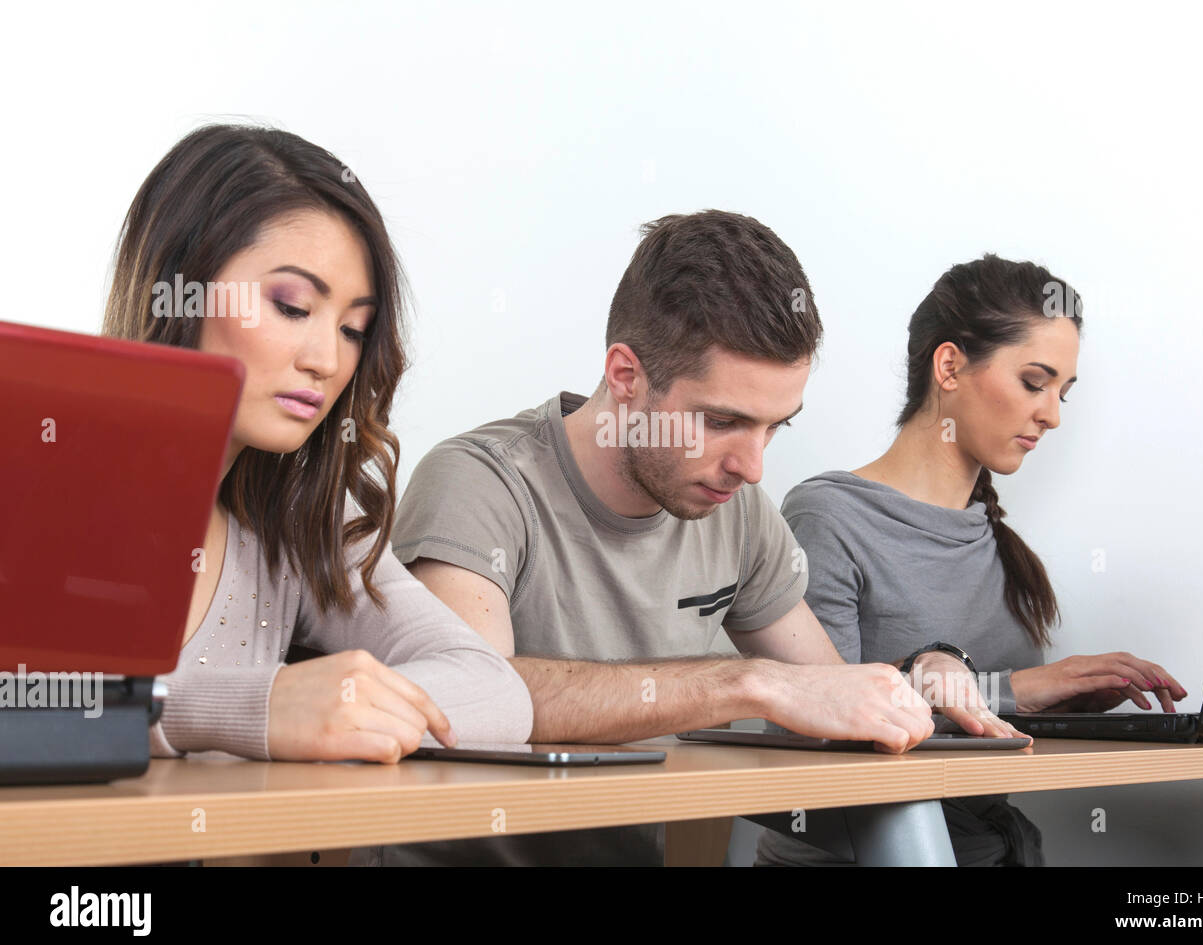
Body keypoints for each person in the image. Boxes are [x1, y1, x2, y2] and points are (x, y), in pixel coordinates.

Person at [352, 210, 1016, 867]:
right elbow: (472, 695)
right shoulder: (481, 481)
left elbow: (824, 690)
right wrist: (748, 682)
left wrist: (914, 677)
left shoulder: (737, 508)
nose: (753, 466)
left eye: (774, 426)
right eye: (723, 420)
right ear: (625, 377)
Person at [100, 124, 533, 763]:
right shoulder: (33, 480)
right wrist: (255, 707)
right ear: (179, 289)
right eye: (293, 307)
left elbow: (495, 690)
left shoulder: (302, 521)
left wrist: (346, 703)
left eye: (355, 329)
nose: (328, 360)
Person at [755, 253, 1188, 866]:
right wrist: (1022, 690)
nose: (1053, 415)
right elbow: (813, 726)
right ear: (950, 365)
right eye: (1034, 382)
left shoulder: (997, 544)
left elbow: (989, 729)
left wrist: (1064, 709)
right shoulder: (829, 517)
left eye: (1063, 392)